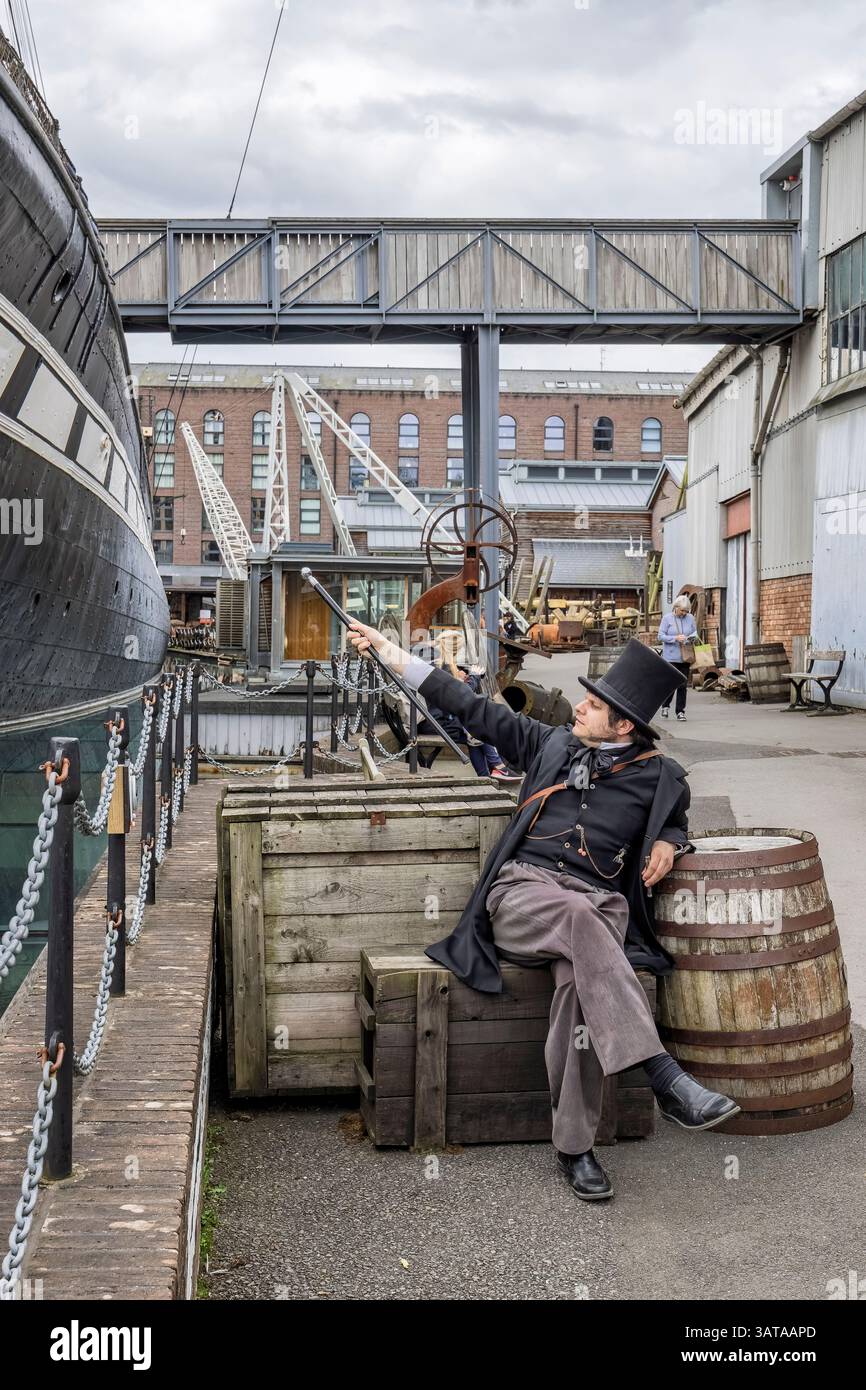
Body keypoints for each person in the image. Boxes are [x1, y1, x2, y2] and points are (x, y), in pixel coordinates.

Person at [346, 623, 740, 1201]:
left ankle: (575, 1148)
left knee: (579, 989)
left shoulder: (661, 779)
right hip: (521, 900)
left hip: (594, 912)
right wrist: (390, 653)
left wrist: (671, 841)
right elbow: (470, 707)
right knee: (581, 925)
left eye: (594, 704)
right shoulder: (550, 744)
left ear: (624, 725)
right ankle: (662, 1073)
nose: (578, 707)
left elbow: (676, 819)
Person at [658, 595, 698, 721]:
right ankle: (665, 706)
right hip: (670, 657)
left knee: (682, 685)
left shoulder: (690, 618)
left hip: (685, 657)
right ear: (676, 607)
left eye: (686, 611)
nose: (684, 613)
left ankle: (680, 712)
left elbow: (694, 633)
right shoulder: (667, 618)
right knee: (671, 684)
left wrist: (690, 638)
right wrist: (675, 638)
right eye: (682, 610)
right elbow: (660, 636)